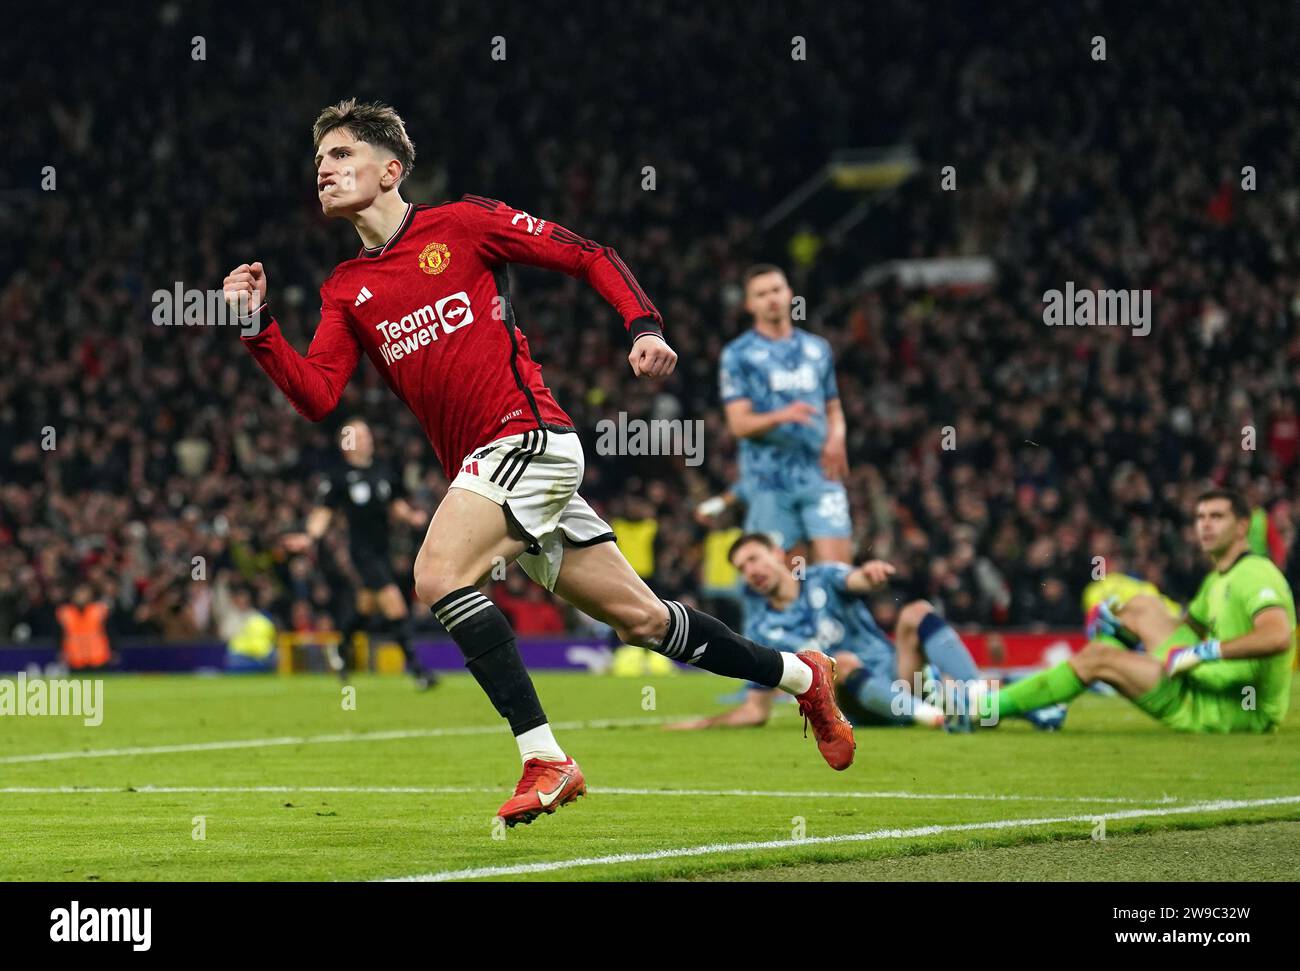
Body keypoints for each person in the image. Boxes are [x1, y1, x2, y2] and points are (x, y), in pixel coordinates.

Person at [224, 99, 855, 827]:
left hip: (528, 441)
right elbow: (317, 394)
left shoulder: (460, 224)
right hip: (498, 469)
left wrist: (642, 324)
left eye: (340, 155)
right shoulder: (346, 288)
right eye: (319, 161)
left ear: (390, 169)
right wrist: (257, 326)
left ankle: (544, 755)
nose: (324, 170)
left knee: (435, 574)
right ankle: (804, 675)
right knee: (646, 623)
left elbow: (587, 252)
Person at [669, 533, 1065, 731]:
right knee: (837, 664)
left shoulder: (822, 577)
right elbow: (756, 710)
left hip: (902, 676)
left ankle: (997, 698)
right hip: (856, 703)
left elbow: (855, 580)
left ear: (776, 554)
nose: (750, 571)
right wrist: (704, 724)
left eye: (753, 558)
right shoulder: (760, 629)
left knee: (914, 612)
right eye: (742, 568)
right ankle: (937, 715)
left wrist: (870, 576)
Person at [984, 489, 1296, 733]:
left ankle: (988, 708)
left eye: (1217, 517)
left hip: (1231, 711)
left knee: (1099, 658)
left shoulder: (1256, 574)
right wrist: (1121, 626)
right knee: (1141, 606)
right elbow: (1187, 626)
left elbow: (1277, 636)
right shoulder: (1217, 579)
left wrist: (1206, 652)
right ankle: (1050, 702)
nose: (1205, 525)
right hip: (1210, 686)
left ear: (1242, 526)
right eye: (1200, 517)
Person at [285, 417, 436, 689]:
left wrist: (411, 517)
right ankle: (418, 671)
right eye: (360, 436)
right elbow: (324, 512)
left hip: (383, 549)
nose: (367, 439)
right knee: (394, 602)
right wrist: (310, 536)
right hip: (361, 551)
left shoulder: (384, 469)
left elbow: (395, 503)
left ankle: (341, 649)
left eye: (367, 434)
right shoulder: (339, 476)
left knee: (365, 607)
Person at [716, 265, 852, 562]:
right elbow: (739, 424)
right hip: (770, 482)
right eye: (761, 294)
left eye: (776, 290)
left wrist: (837, 437)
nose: (772, 299)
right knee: (788, 585)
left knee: (838, 575)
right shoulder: (738, 355)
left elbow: (833, 406)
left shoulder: (818, 349)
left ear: (789, 293)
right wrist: (781, 415)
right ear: (749, 304)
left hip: (820, 473)